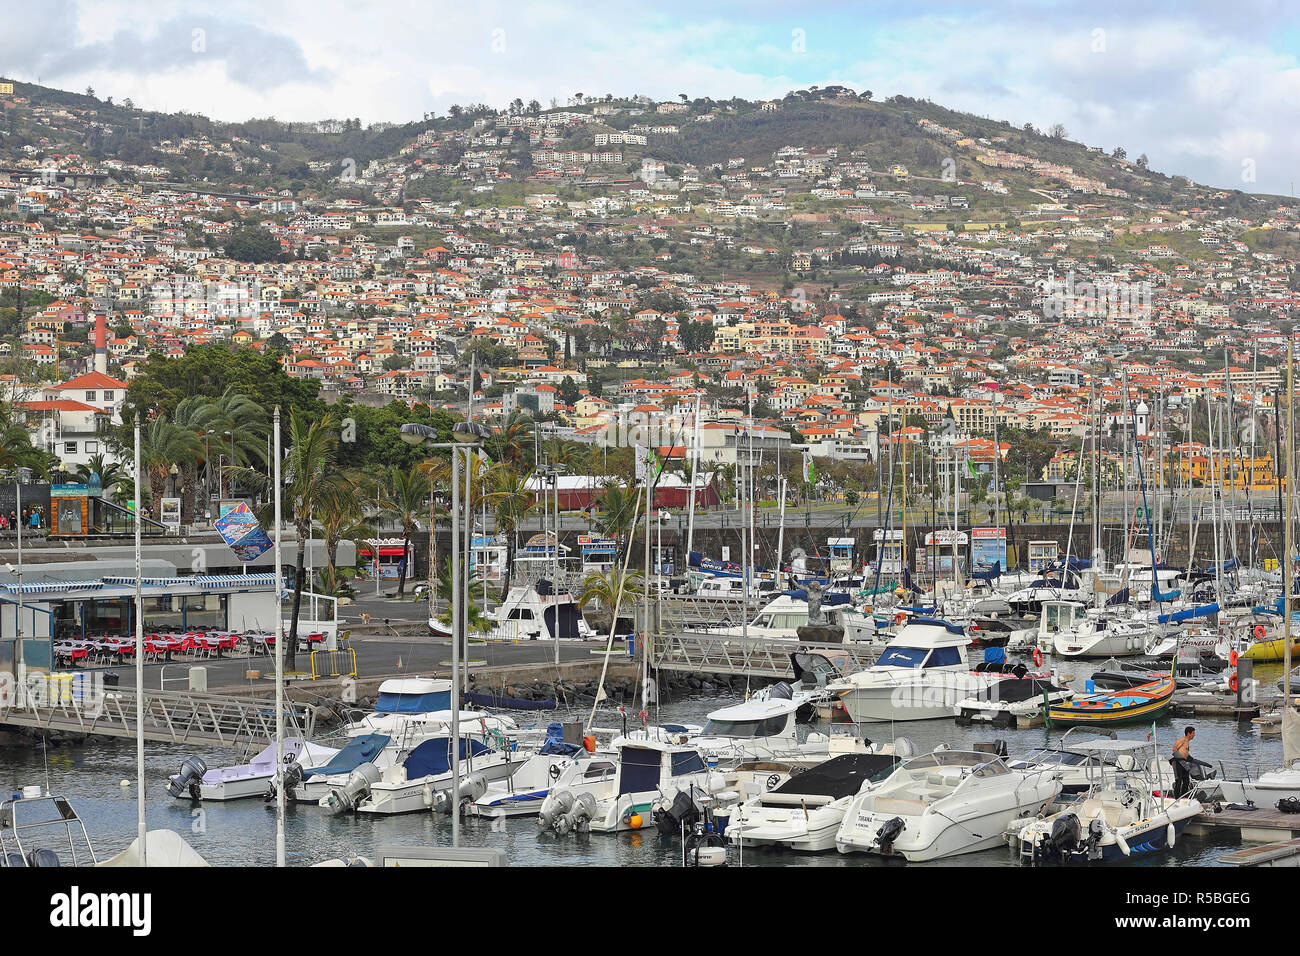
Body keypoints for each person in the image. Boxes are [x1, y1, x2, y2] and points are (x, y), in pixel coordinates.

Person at [1171, 726, 1196, 797]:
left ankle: (1183, 796)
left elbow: (1184, 752)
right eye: (1193, 733)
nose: (1194, 735)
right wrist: (1180, 759)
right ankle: (1176, 798)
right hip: (1178, 762)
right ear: (1189, 733)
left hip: (1184, 763)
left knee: (1186, 781)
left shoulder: (1187, 741)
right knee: (1178, 781)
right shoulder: (1182, 740)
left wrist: (1191, 759)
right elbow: (1174, 749)